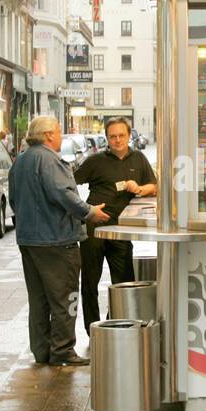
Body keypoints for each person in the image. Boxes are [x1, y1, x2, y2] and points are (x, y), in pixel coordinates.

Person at [7, 115, 109, 367]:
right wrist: (89, 212)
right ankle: (63, 350)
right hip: (57, 240)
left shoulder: (20, 161)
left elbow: (14, 200)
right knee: (66, 297)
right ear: (49, 134)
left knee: (39, 298)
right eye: (59, 132)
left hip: (29, 240)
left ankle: (42, 351)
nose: (61, 136)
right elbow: (63, 194)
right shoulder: (50, 161)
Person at [73, 117, 157, 334]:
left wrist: (138, 189)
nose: (117, 140)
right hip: (94, 228)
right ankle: (93, 330)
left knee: (124, 281)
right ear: (107, 138)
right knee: (90, 282)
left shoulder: (138, 158)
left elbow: (154, 186)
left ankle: (117, 325)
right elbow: (69, 183)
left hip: (121, 230)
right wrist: (84, 209)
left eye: (121, 135)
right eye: (113, 136)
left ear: (129, 136)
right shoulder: (95, 161)